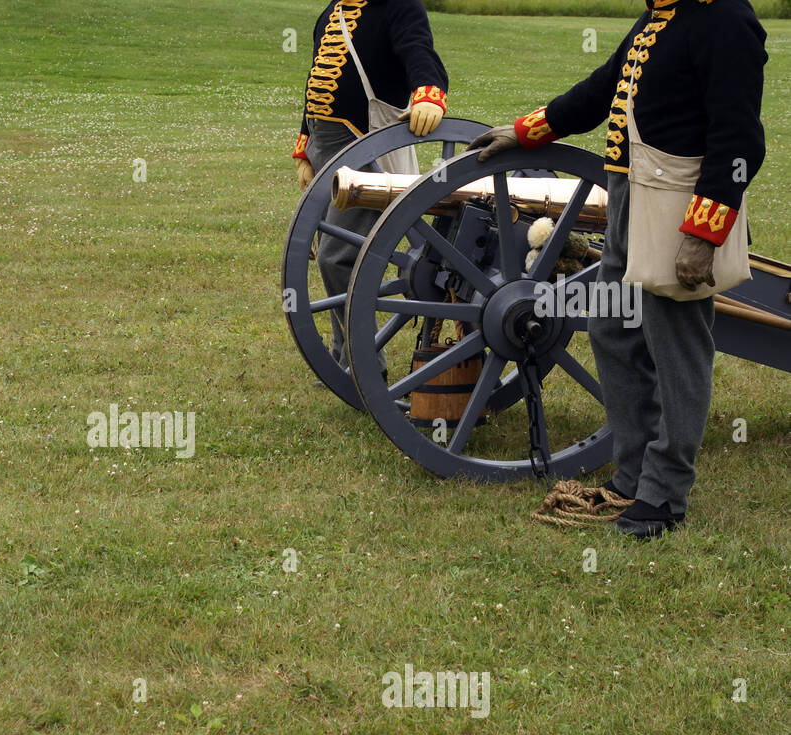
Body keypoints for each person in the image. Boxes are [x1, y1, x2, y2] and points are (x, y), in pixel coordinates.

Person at [470, 0, 766, 538]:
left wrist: (703, 233)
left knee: (676, 347)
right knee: (611, 330)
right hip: (632, 196)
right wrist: (528, 130)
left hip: (680, 207)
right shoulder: (662, 15)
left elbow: (739, 139)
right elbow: (604, 87)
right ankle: (632, 475)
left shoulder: (724, 17)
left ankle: (663, 495)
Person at [294, 0, 449, 377]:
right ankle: (343, 353)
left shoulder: (398, 4)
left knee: (338, 257)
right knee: (331, 257)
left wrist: (428, 93)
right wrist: (304, 146)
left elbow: (419, 50)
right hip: (324, 143)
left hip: (360, 143)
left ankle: (364, 363)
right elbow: (316, 81)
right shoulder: (333, 9)